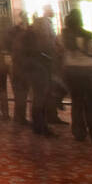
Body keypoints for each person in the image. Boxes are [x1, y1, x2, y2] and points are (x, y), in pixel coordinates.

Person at [60, 9, 92, 143]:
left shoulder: (64, 35)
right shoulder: (88, 34)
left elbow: (60, 51)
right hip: (88, 69)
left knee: (77, 102)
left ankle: (79, 132)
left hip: (72, 70)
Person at [28, 8, 60, 137]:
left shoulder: (31, 35)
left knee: (38, 97)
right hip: (41, 67)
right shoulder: (41, 40)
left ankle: (38, 124)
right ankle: (41, 124)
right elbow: (49, 46)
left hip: (36, 67)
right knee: (40, 97)